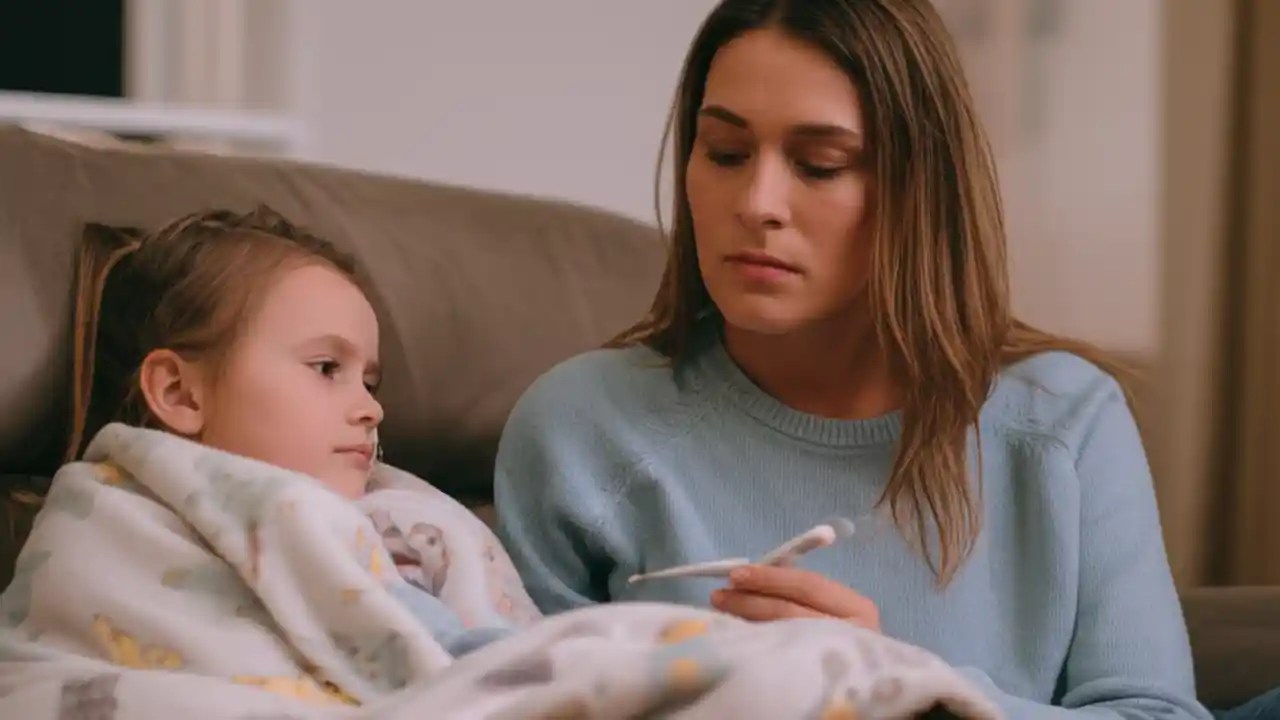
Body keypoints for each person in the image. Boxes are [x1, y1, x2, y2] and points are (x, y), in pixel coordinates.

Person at [493, 1, 1212, 717]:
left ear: (921, 188)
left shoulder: (1064, 417)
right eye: (726, 154)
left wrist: (898, 688)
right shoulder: (580, 428)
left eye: (819, 165)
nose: (759, 203)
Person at [60, 205, 510, 657]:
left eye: (370, 383)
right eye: (327, 368)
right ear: (181, 394)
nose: (372, 407)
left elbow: (461, 660)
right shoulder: (96, 525)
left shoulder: (391, 531)